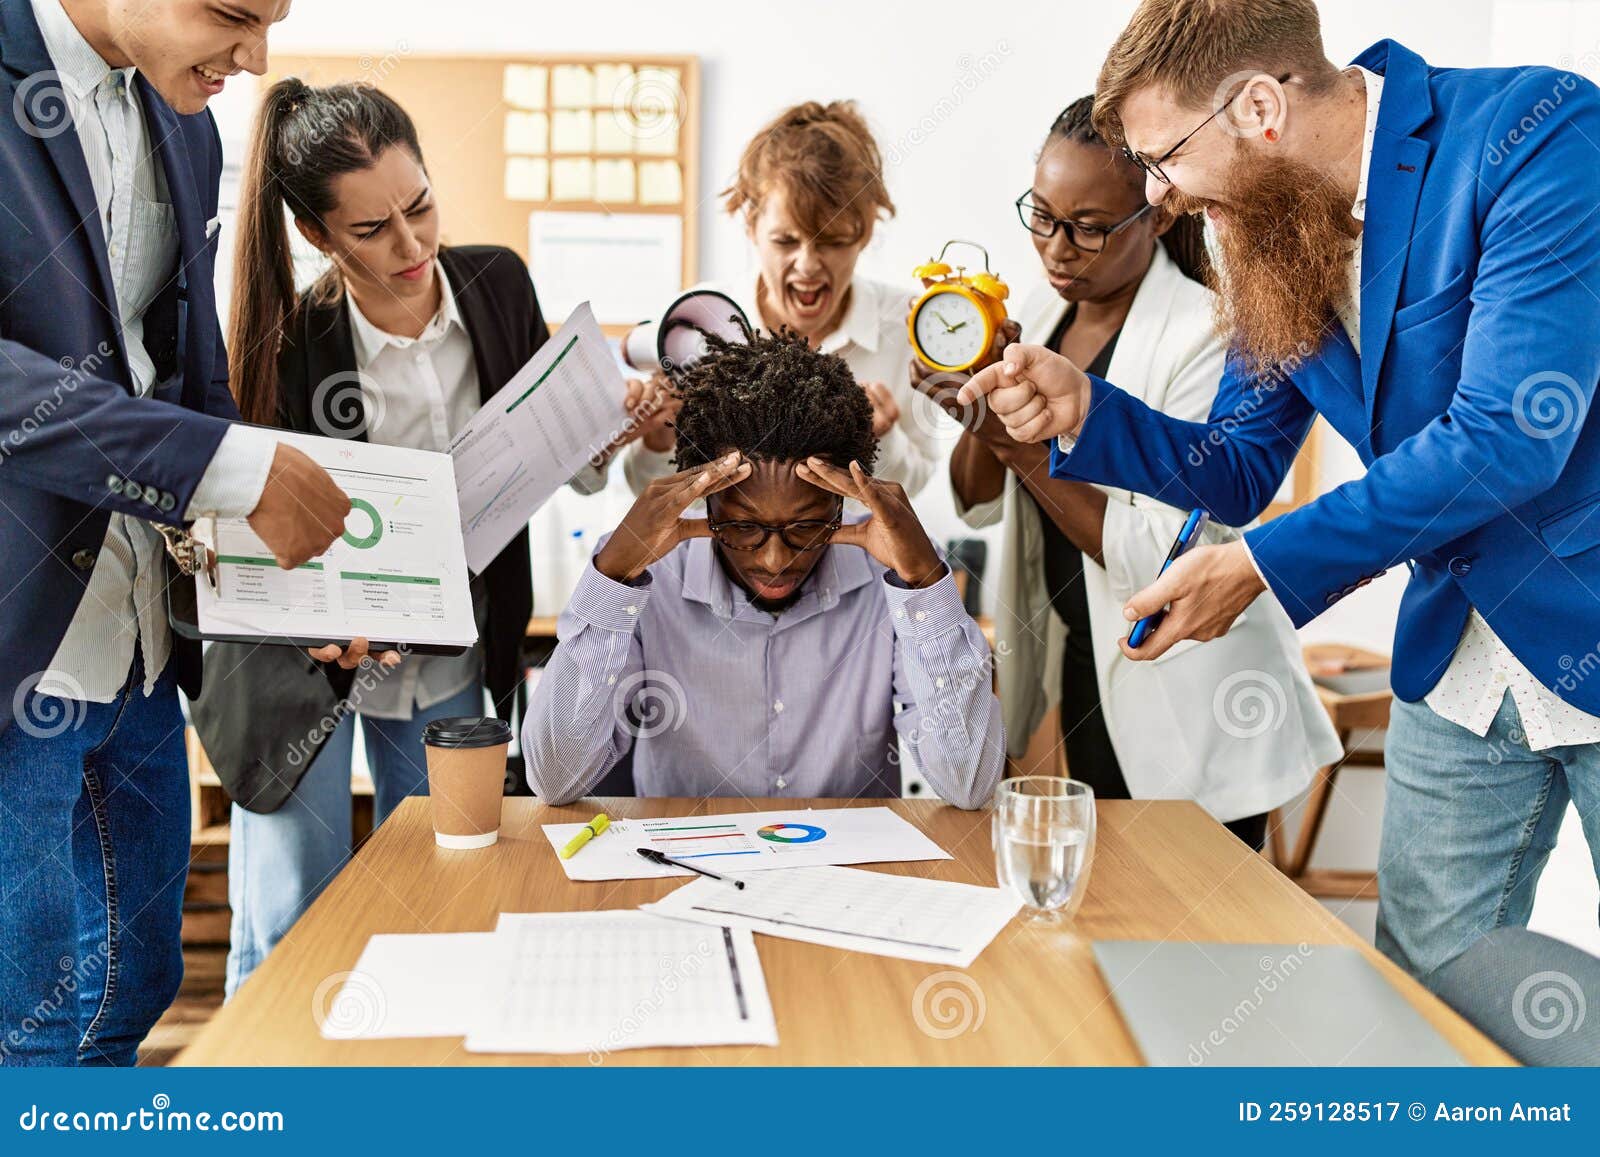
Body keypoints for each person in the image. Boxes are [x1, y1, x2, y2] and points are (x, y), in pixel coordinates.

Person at [962, 0, 1600, 983]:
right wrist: (1084, 410)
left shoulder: (1536, 132)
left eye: (1164, 158)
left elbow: (1512, 433)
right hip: (1460, 661)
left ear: (1260, 106)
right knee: (1426, 988)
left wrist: (1262, 564)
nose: (1160, 199)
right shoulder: (1260, 229)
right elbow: (1234, 463)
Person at [0, 0, 356, 1066]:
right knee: (30, 1017)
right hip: (23, 638)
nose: (256, 59)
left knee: (138, 975)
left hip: (143, 633)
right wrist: (231, 468)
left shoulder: (184, 118)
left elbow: (186, 375)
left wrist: (292, 596)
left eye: (274, 20)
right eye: (233, 16)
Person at [189, 80, 568, 997]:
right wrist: (310, 615)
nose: (410, 246)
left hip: (445, 648)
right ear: (318, 236)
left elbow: (541, 439)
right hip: (296, 659)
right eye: (371, 231)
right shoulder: (283, 335)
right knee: (293, 922)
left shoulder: (497, 283)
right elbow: (230, 518)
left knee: (444, 896)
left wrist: (610, 423)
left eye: (421, 206)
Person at [935, 97, 1339, 848]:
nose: (1057, 249)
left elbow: (1165, 556)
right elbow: (976, 502)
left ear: (1156, 214)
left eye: (1088, 226)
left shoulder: (1207, 332)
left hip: (1192, 690)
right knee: (1103, 930)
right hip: (1085, 665)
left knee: (1200, 945)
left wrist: (1023, 445)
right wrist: (973, 408)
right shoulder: (1038, 312)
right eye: (1042, 217)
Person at [523, 328, 1005, 809]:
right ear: (706, 501)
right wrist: (611, 580)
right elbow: (556, 779)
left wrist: (923, 582)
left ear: (841, 503)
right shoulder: (649, 569)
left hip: (846, 876)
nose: (775, 560)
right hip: (684, 868)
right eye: (742, 527)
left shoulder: (895, 569)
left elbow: (970, 785)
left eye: (806, 527)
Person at [601, 100, 944, 498]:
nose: (808, 264)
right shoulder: (695, 321)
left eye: (833, 241)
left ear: (864, 233)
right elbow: (649, 494)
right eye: (785, 240)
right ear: (752, 227)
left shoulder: (908, 326)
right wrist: (662, 436)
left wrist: (881, 439)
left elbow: (914, 487)